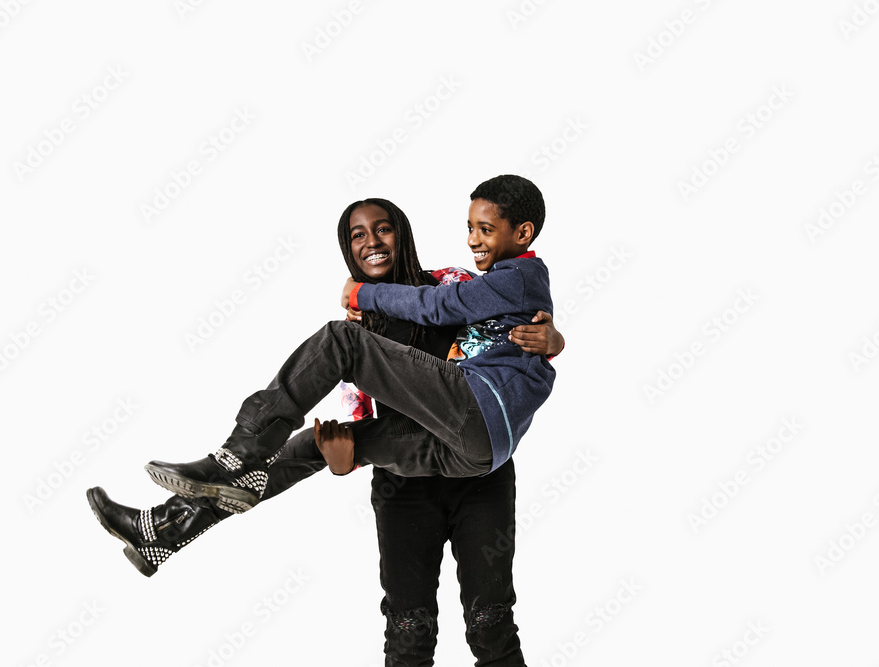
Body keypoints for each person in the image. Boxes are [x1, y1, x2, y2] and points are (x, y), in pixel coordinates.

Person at [88, 175, 555, 588]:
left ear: (403, 234)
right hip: (459, 457)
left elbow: (469, 313)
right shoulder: (363, 325)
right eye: (357, 235)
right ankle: (160, 531)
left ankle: (237, 451)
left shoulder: (450, 282)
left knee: (339, 341)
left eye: (383, 229)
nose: (371, 242)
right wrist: (343, 461)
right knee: (308, 444)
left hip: (477, 437)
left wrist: (553, 339)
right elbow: (361, 414)